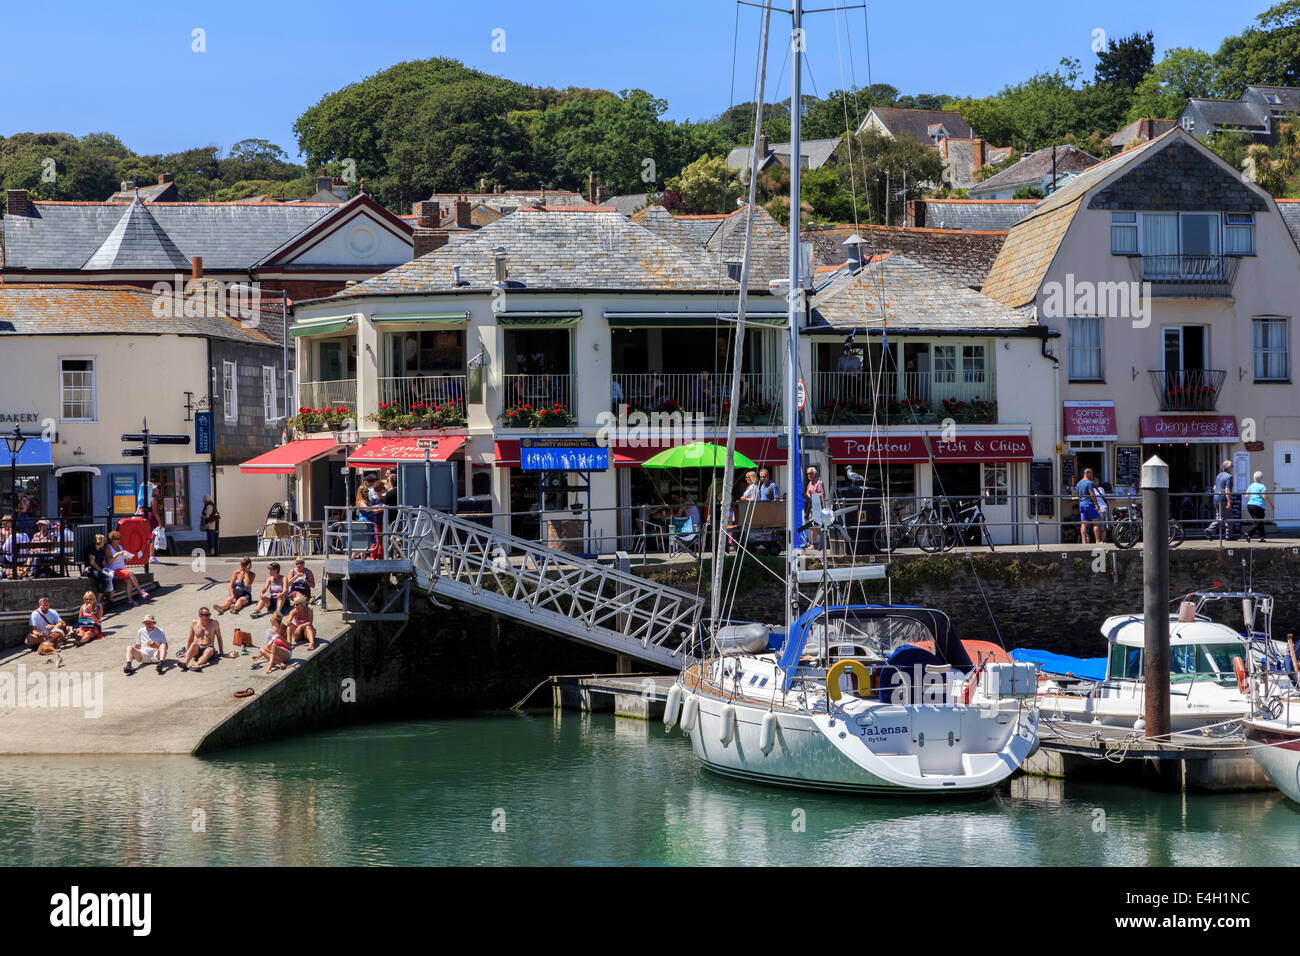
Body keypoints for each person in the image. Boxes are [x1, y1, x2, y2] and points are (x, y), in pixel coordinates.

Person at [105, 530, 145, 605]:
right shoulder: (108, 547)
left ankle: (129, 599)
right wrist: (117, 554)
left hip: (122, 569)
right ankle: (140, 591)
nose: (118, 540)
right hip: (115, 569)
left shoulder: (120, 547)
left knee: (129, 581)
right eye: (116, 539)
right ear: (112, 540)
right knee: (130, 573)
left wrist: (129, 559)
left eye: (119, 538)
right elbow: (109, 562)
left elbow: (123, 562)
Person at [179, 607, 223, 672]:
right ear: (200, 615)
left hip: (209, 647)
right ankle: (185, 663)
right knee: (193, 644)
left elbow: (219, 637)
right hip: (198, 647)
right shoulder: (194, 623)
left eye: (209, 614)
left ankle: (197, 665)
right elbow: (190, 638)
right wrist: (187, 652)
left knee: (209, 650)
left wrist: (221, 651)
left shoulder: (214, 623)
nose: (208, 617)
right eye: (206, 615)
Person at [1206, 461, 1235, 539]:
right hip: (1223, 498)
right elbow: (1227, 489)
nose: (1233, 467)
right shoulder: (1229, 477)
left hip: (1216, 497)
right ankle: (1228, 536)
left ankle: (1210, 530)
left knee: (1219, 516)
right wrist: (1229, 501)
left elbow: (1214, 487)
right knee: (1228, 517)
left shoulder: (1218, 475)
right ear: (1228, 467)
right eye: (1232, 466)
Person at [1075, 468, 1102, 545]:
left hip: (1082, 505)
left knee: (1083, 524)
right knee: (1096, 523)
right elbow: (1092, 495)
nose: (1092, 476)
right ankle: (1097, 541)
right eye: (1092, 474)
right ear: (1088, 473)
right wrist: (1097, 505)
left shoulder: (1079, 483)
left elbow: (1077, 494)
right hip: (1089, 505)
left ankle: (1084, 542)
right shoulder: (1089, 483)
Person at [1245, 471, 1272, 543]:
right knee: (1259, 522)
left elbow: (1246, 495)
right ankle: (1249, 533)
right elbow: (1265, 496)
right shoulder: (1262, 486)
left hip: (1250, 506)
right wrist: (1271, 505)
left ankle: (1261, 537)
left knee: (1259, 521)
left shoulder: (1251, 486)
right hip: (1258, 506)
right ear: (1261, 478)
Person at [804, 466, 826, 550]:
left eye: (810, 473)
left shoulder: (819, 482)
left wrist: (813, 492)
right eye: (807, 474)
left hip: (818, 507)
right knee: (814, 527)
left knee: (814, 526)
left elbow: (823, 495)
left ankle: (815, 544)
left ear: (815, 474)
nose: (809, 475)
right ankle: (821, 541)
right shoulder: (809, 484)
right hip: (811, 507)